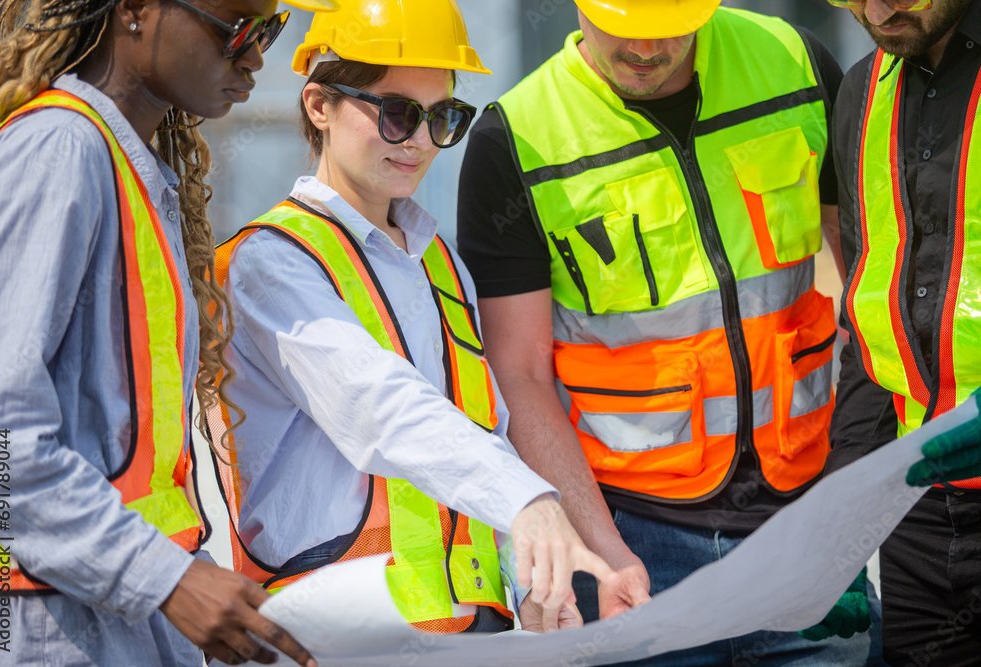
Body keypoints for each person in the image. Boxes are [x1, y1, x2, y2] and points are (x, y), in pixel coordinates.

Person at [457, 0, 880, 663]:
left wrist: (853, 487)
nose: (650, 46)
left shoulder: (791, 63)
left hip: (807, 525)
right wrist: (607, 551)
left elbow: (867, 274)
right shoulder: (518, 138)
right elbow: (521, 375)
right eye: (625, 22)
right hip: (640, 547)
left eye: (672, 21)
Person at [207, 0, 616, 637]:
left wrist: (529, 580)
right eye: (398, 114)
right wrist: (530, 502)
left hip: (468, 630)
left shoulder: (439, 264)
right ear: (320, 105)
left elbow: (482, 433)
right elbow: (379, 407)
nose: (422, 142)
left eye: (443, 117)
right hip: (337, 632)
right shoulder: (271, 263)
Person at [0, 0, 323, 665]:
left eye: (273, 31)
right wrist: (166, 579)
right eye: (239, 28)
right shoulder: (58, 149)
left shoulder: (126, 164)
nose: (256, 56)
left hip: (118, 617)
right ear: (136, 11)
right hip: (46, 627)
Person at [824, 0, 981, 663]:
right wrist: (843, 516)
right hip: (918, 509)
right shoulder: (862, 92)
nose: (879, 7)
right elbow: (869, 322)